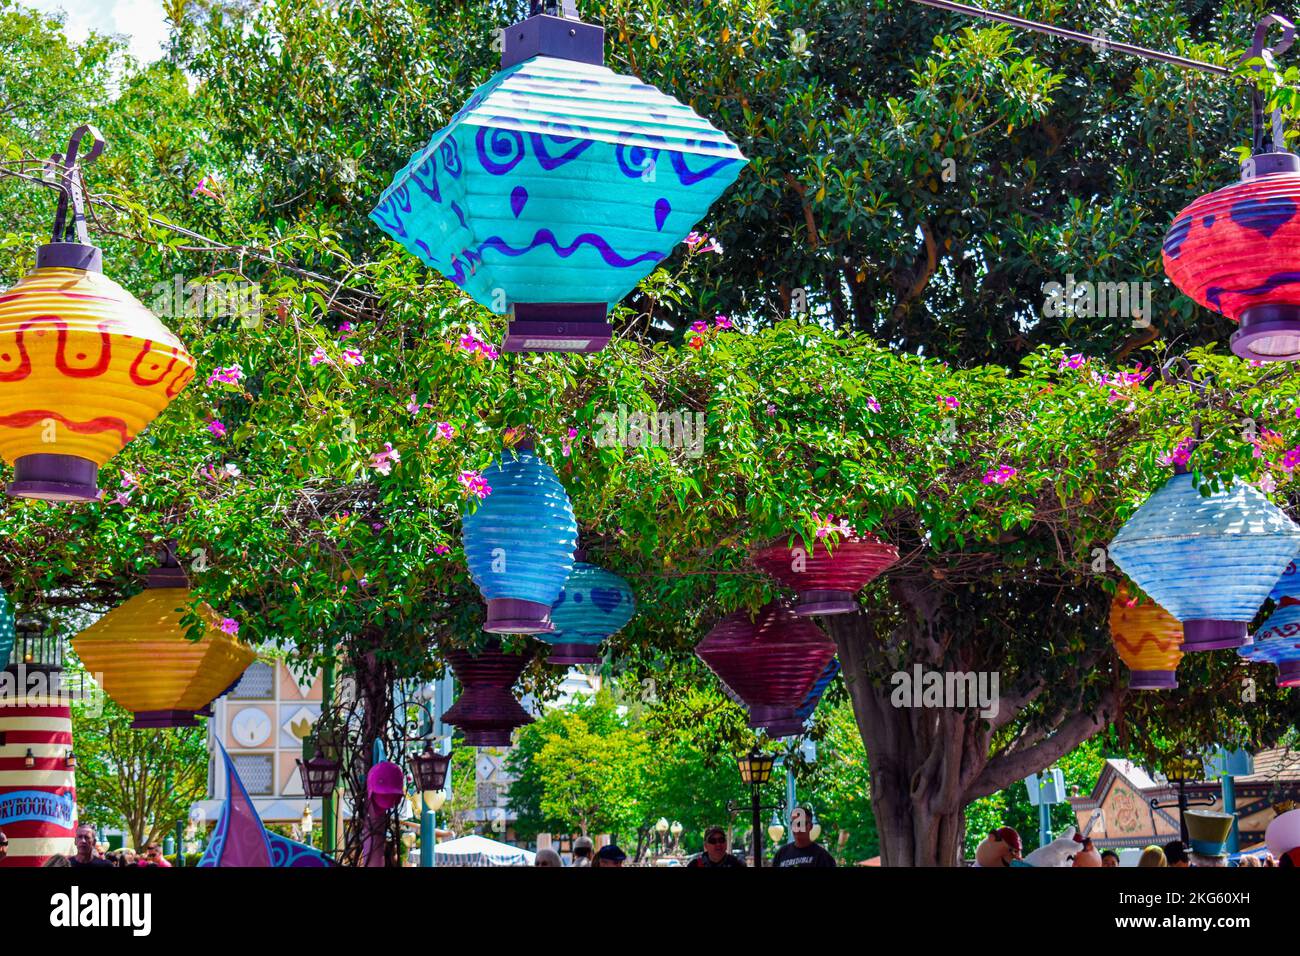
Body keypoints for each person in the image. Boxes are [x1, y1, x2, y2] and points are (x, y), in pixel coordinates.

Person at [771, 808, 836, 868]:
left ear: (811, 826)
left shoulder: (822, 856)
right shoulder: (781, 854)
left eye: (801, 823)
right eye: (794, 824)